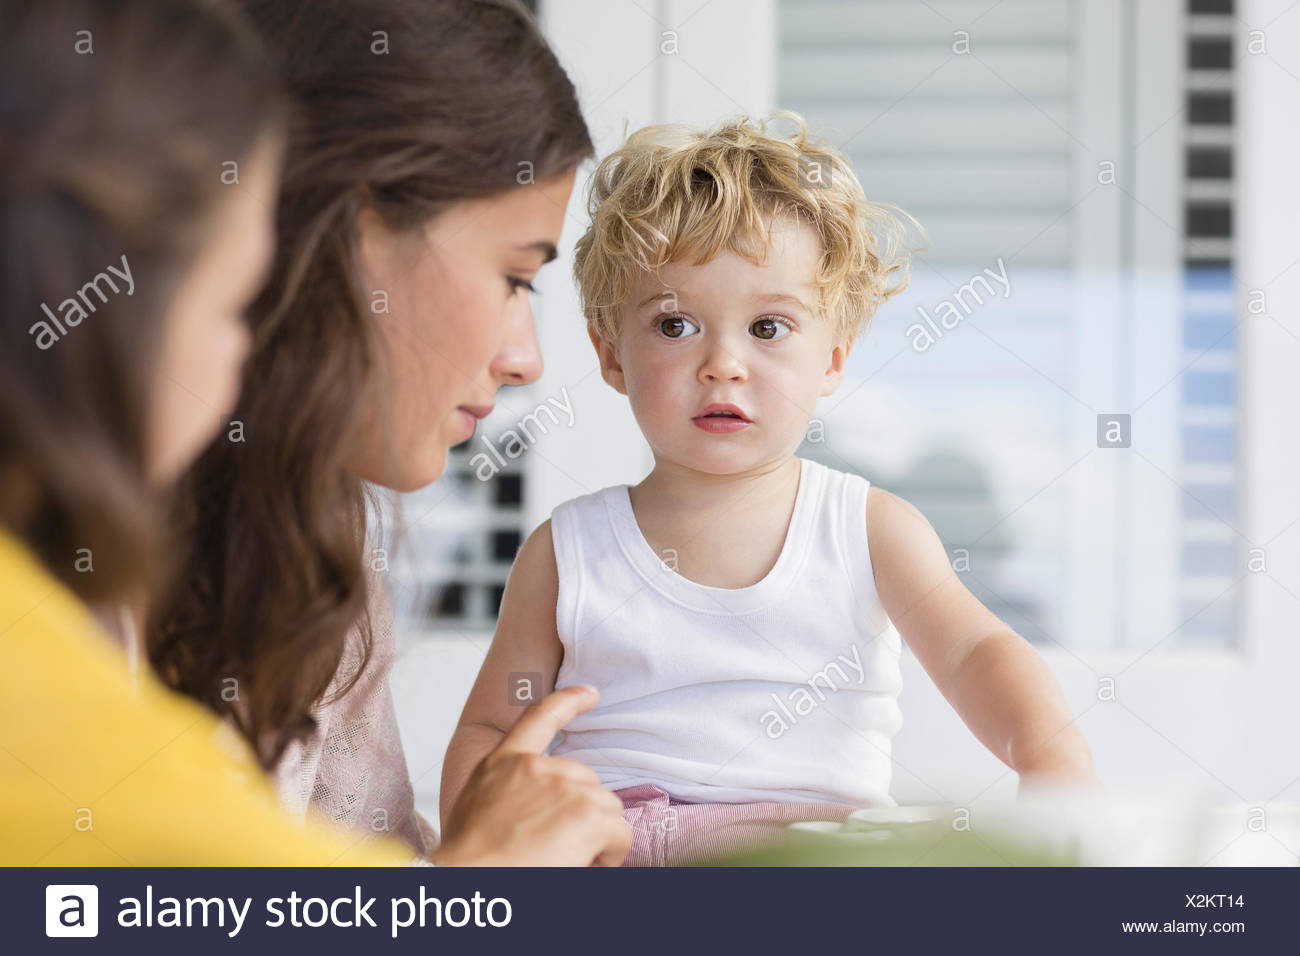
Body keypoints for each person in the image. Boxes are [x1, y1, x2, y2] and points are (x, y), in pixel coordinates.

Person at [0, 0, 627, 867]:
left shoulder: (317, 562)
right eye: (516, 276)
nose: (526, 360)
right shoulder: (42, 578)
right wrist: (479, 881)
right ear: (345, 232)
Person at [441, 114, 1101, 866]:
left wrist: (1054, 760)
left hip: (806, 864)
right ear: (610, 355)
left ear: (832, 360)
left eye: (768, 328)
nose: (723, 363)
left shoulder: (867, 529)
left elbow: (976, 652)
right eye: (676, 323)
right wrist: (485, 855)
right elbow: (493, 732)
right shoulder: (566, 551)